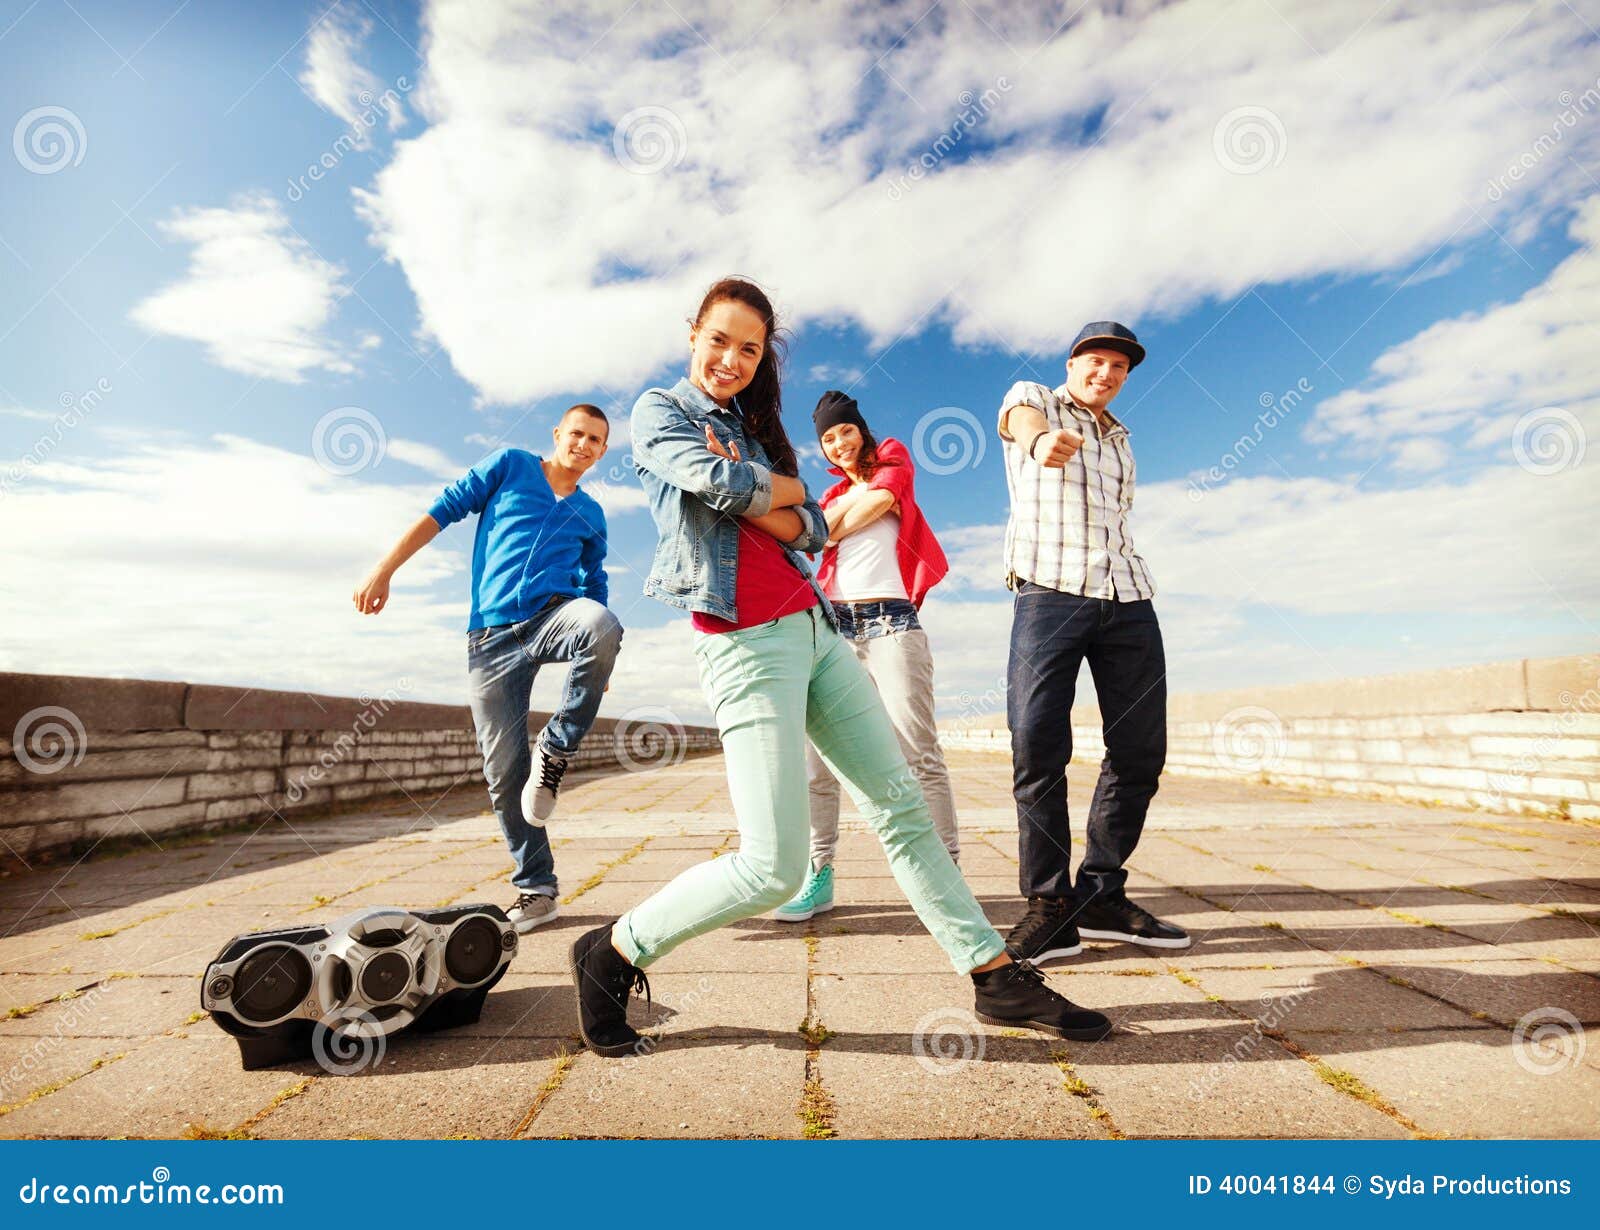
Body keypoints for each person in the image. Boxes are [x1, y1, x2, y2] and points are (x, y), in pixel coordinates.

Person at [567, 276, 1112, 1058]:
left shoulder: (753, 433)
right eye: (719, 340)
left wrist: (773, 497)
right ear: (693, 334)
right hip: (743, 638)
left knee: (899, 805)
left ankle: (994, 975)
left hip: (818, 629)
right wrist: (778, 495)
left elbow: (811, 528)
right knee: (774, 866)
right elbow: (721, 486)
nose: (731, 358)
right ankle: (614, 949)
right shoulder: (660, 411)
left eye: (749, 349)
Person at [353, 405, 622, 933]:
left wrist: (601, 653)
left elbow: (596, 584)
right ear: (557, 435)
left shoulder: (591, 512)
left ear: (603, 450)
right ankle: (537, 889)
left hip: (554, 617)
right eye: (577, 434)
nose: (584, 445)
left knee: (602, 622)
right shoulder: (512, 466)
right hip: (491, 638)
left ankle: (557, 747)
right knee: (504, 774)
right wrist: (384, 570)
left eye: (596, 440)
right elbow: (442, 510)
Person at [996, 321, 1190, 963]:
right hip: (1049, 592)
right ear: (1072, 362)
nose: (1105, 373)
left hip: (1129, 598)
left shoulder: (1124, 441)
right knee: (1038, 746)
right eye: (1095, 361)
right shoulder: (1036, 400)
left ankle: (1101, 893)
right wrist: (1043, 439)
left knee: (1139, 753)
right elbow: (1021, 420)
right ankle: (1049, 908)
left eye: (1119, 367)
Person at [774, 390, 960, 922]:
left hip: (892, 623)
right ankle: (819, 875)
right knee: (816, 765)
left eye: (845, 431)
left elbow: (858, 512)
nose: (839, 443)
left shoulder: (895, 457)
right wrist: (831, 518)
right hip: (833, 629)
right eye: (829, 439)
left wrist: (832, 520)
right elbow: (814, 539)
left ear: (861, 429)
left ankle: (946, 876)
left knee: (917, 751)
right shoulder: (828, 494)